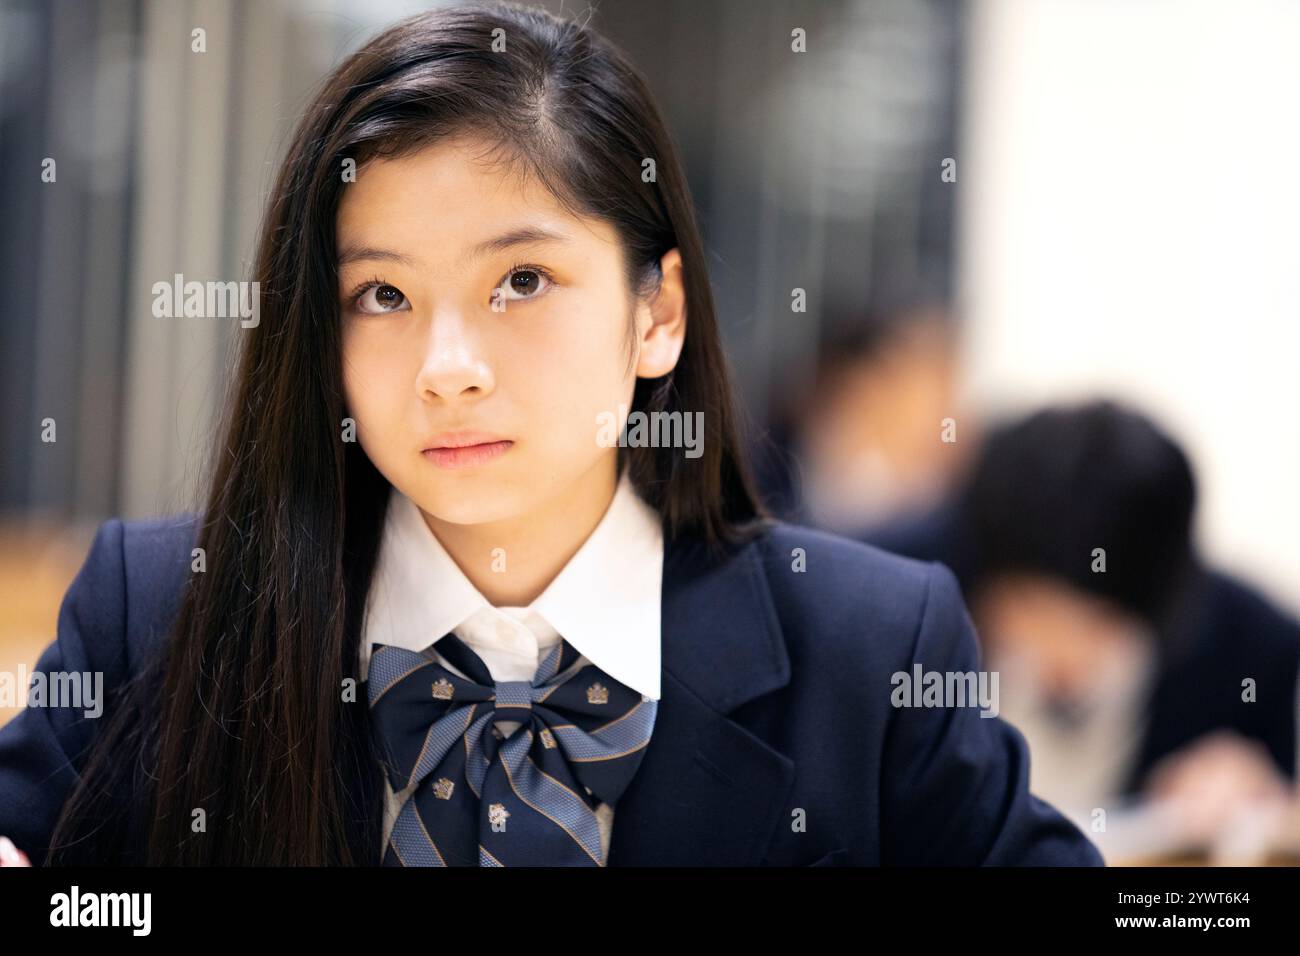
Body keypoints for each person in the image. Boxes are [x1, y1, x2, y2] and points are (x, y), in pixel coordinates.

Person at [0, 1, 1100, 867]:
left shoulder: (864, 649)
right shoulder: (157, 612)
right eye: (380, 295)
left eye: (520, 280)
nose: (447, 368)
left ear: (656, 313)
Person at [865, 400, 1300, 852]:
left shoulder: (1253, 650)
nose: (1064, 657)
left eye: (1097, 627)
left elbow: (1269, 826)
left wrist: (1254, 802)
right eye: (1035, 613)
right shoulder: (893, 600)